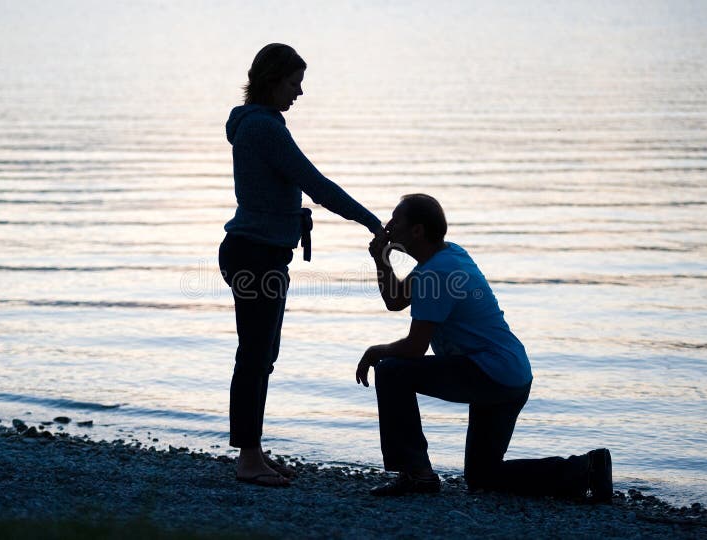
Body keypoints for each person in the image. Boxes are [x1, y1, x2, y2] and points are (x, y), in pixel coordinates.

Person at [356, 194, 613, 502]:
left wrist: (376, 351)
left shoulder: (435, 273)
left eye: (396, 220)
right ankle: (587, 469)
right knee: (483, 476)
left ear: (417, 231)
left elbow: (414, 348)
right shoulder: (448, 255)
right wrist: (381, 259)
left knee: (392, 370)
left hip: (488, 372)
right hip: (510, 374)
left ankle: (416, 474)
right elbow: (396, 301)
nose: (388, 225)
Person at [219, 43, 384, 487]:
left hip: (258, 250)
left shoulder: (254, 124)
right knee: (255, 356)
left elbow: (268, 189)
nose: (300, 92)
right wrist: (372, 222)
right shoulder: (266, 129)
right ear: (272, 80)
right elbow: (316, 183)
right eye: (294, 83)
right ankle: (248, 460)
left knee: (262, 355)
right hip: (255, 255)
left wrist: (294, 215)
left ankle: (253, 451)